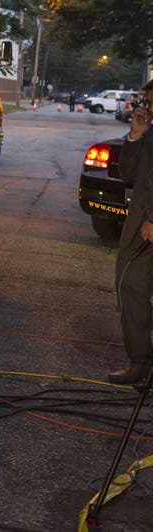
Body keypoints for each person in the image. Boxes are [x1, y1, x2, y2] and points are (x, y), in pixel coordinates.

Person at [108, 78, 153, 385]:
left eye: (151, 103)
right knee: (131, 285)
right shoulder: (150, 134)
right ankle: (141, 363)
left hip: (148, 224)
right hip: (141, 221)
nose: (148, 109)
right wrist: (136, 137)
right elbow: (128, 175)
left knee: (132, 281)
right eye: (147, 103)